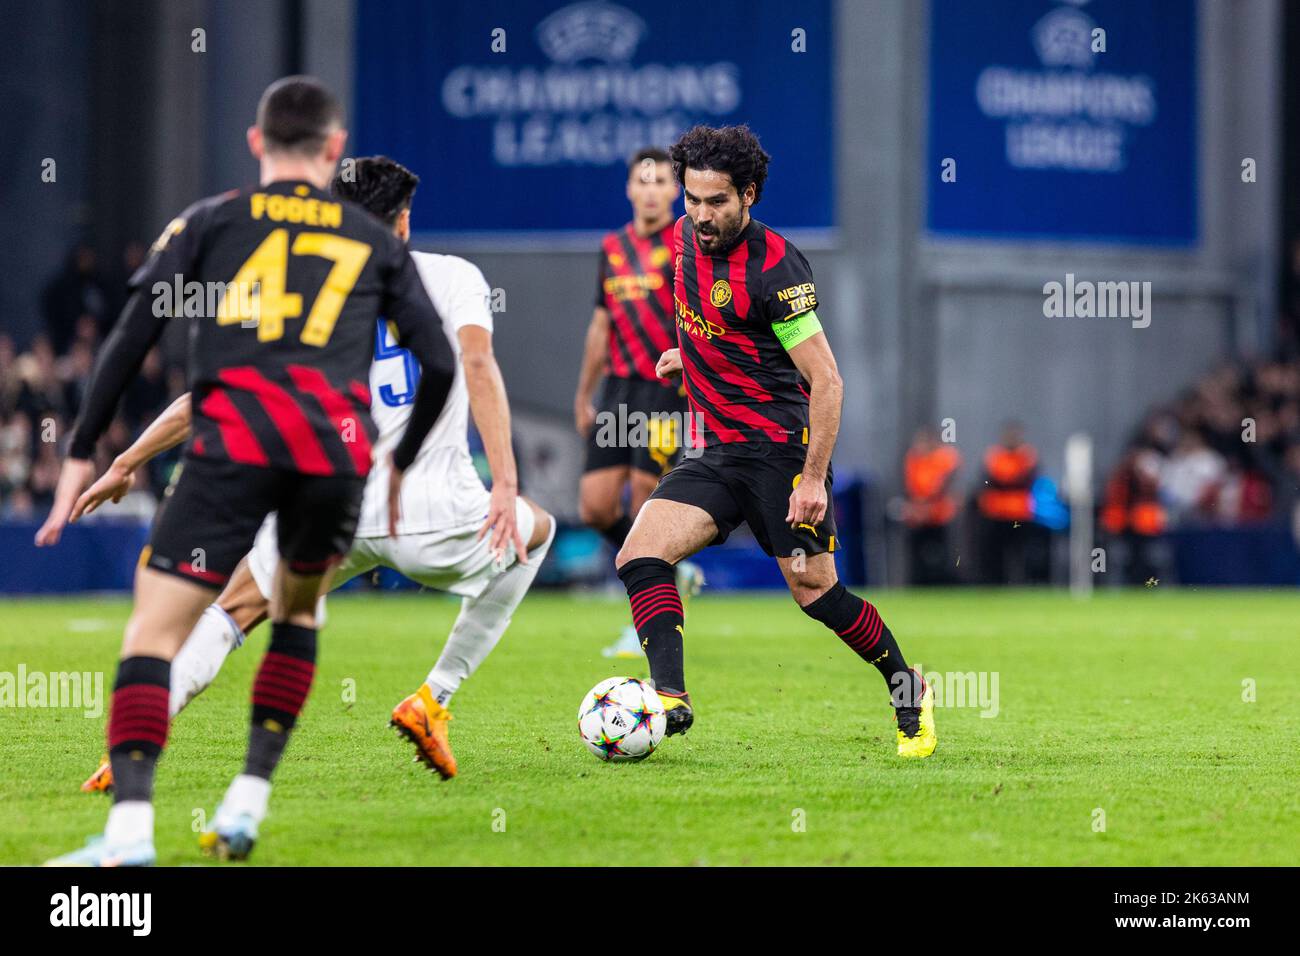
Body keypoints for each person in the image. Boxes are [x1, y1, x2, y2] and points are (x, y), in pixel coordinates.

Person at [36, 76, 457, 866]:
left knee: (152, 635)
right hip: (332, 455)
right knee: (296, 617)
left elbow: (131, 337)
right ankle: (246, 802)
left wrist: (87, 452)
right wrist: (401, 462)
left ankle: (128, 836)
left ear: (257, 143)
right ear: (334, 150)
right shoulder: (374, 243)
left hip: (231, 445)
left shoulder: (210, 221)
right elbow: (437, 360)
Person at [72, 156, 554, 794]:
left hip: (329, 497)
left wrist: (126, 460)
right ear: (404, 222)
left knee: (233, 608)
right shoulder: (452, 277)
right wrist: (505, 483)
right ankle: (434, 698)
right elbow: (477, 361)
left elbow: (210, 397)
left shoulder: (303, 294)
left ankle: (136, 742)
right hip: (435, 512)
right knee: (538, 531)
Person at [614, 125, 936, 757]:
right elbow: (721, 322)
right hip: (715, 450)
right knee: (639, 555)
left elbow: (828, 379)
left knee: (815, 592)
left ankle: (908, 687)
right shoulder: (681, 238)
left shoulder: (776, 267)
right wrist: (694, 356)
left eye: (718, 203)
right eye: (693, 199)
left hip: (781, 453)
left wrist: (812, 478)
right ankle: (670, 701)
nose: (702, 216)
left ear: (750, 195)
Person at [574, 146, 702, 658]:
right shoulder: (611, 248)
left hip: (666, 386)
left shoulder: (686, 243)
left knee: (646, 498)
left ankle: (646, 613)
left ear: (675, 191)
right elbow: (600, 324)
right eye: (641, 181)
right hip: (618, 390)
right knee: (596, 506)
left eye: (660, 182)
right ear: (629, 188)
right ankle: (675, 569)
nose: (650, 190)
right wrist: (585, 394)